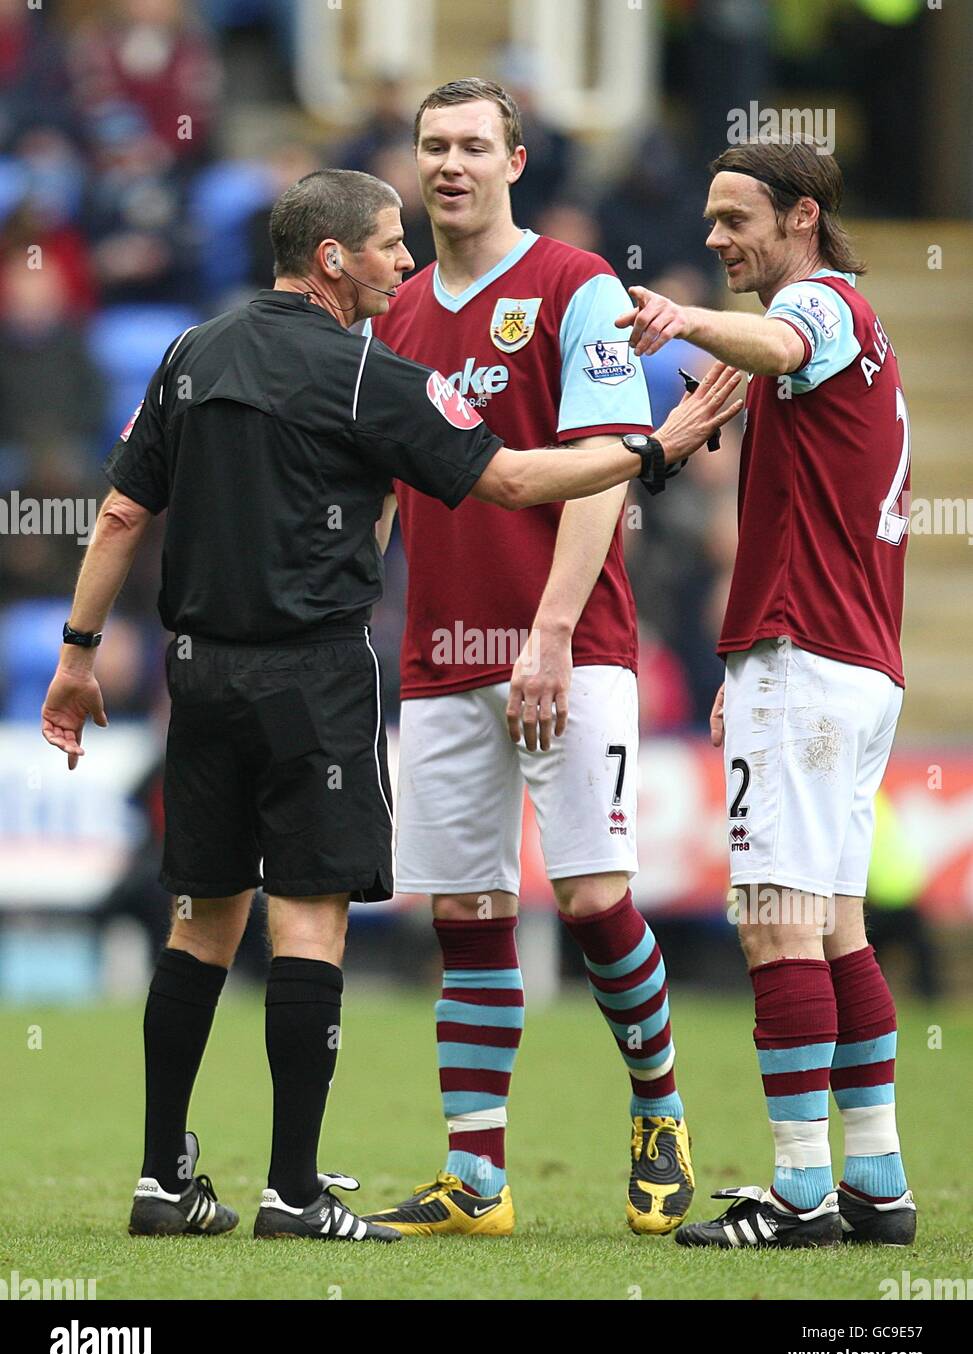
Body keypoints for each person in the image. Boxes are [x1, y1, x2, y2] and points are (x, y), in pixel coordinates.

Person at [40, 167, 739, 1244]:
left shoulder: (187, 353)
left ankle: (160, 1177)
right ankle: (293, 1189)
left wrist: (77, 653)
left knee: (201, 921)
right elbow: (508, 479)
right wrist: (656, 446)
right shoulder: (370, 370)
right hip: (314, 679)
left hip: (199, 675)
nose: (402, 261)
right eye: (383, 244)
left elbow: (126, 510)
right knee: (310, 920)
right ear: (332, 259)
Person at [360, 78, 706, 1239]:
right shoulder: (396, 312)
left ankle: (659, 1111)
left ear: (515, 158)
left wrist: (552, 628)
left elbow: (609, 463)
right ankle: (478, 1176)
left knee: (596, 896)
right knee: (463, 908)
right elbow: (383, 496)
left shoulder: (575, 285)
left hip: (571, 640)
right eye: (430, 147)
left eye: (471, 145)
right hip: (439, 650)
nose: (448, 164)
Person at [620, 136, 916, 1249]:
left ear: (799, 217)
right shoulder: (846, 334)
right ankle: (876, 1183)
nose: (712, 236)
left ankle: (798, 1194)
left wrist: (684, 317)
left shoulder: (825, 308)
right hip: (840, 663)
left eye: (732, 217)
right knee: (836, 927)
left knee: (775, 929)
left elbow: (781, 337)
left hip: (808, 662)